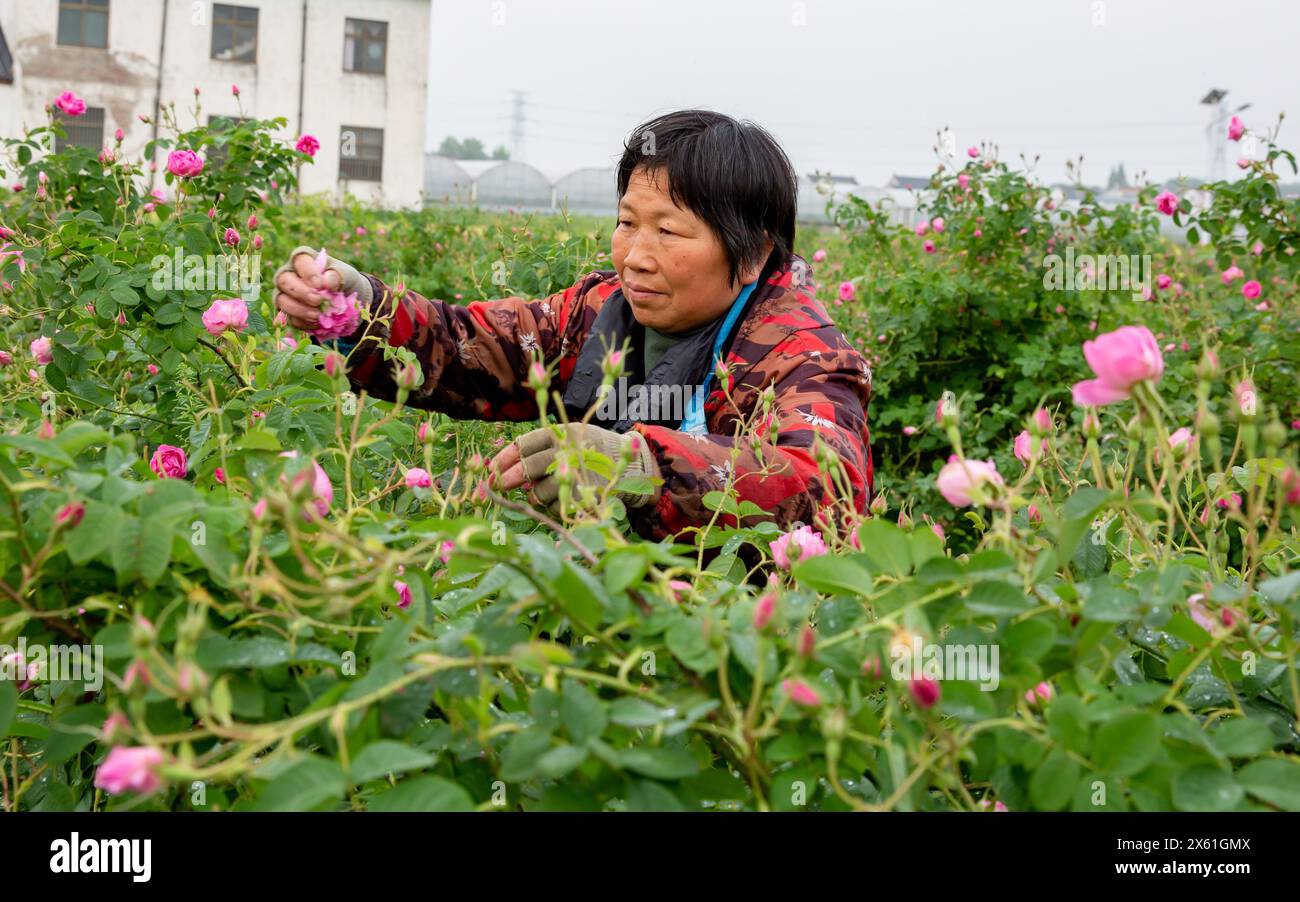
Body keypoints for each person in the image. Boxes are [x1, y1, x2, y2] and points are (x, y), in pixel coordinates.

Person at [274, 109, 874, 542]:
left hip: (730, 644)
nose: (636, 255)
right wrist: (361, 310)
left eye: (668, 231)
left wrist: (641, 467)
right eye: (626, 222)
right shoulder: (599, 310)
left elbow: (822, 487)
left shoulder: (801, 353)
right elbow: (472, 347)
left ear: (750, 254)